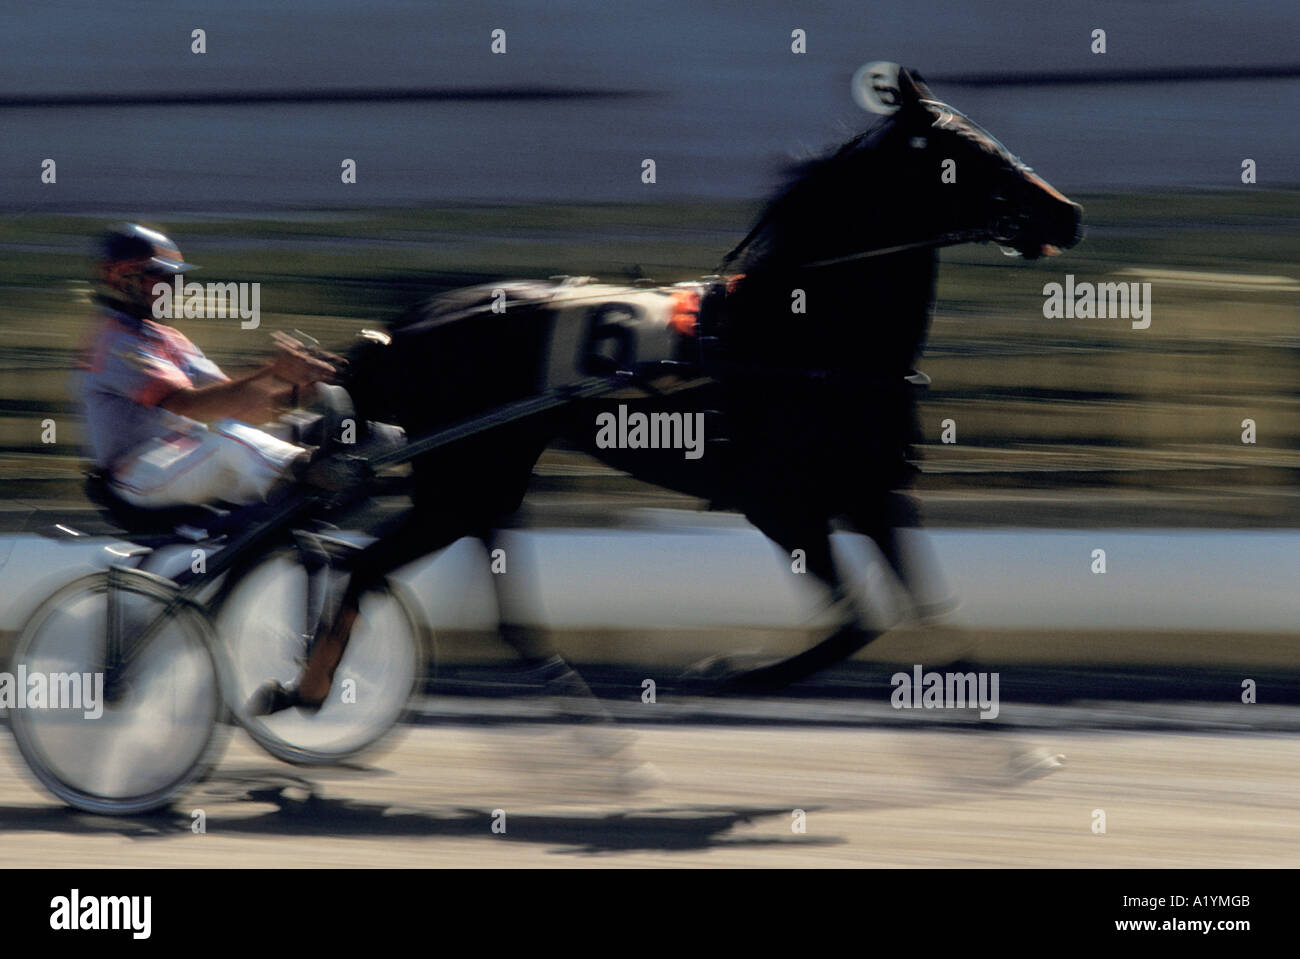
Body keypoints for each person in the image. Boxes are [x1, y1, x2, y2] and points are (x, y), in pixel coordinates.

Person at [74, 224, 337, 508]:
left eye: (177, 278)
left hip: (184, 455)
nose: (175, 287)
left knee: (298, 427)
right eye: (163, 278)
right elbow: (190, 406)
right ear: (123, 280)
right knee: (227, 435)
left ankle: (357, 454)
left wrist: (313, 387)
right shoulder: (113, 342)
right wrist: (277, 374)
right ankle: (321, 473)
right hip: (135, 476)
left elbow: (235, 406)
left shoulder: (168, 338)